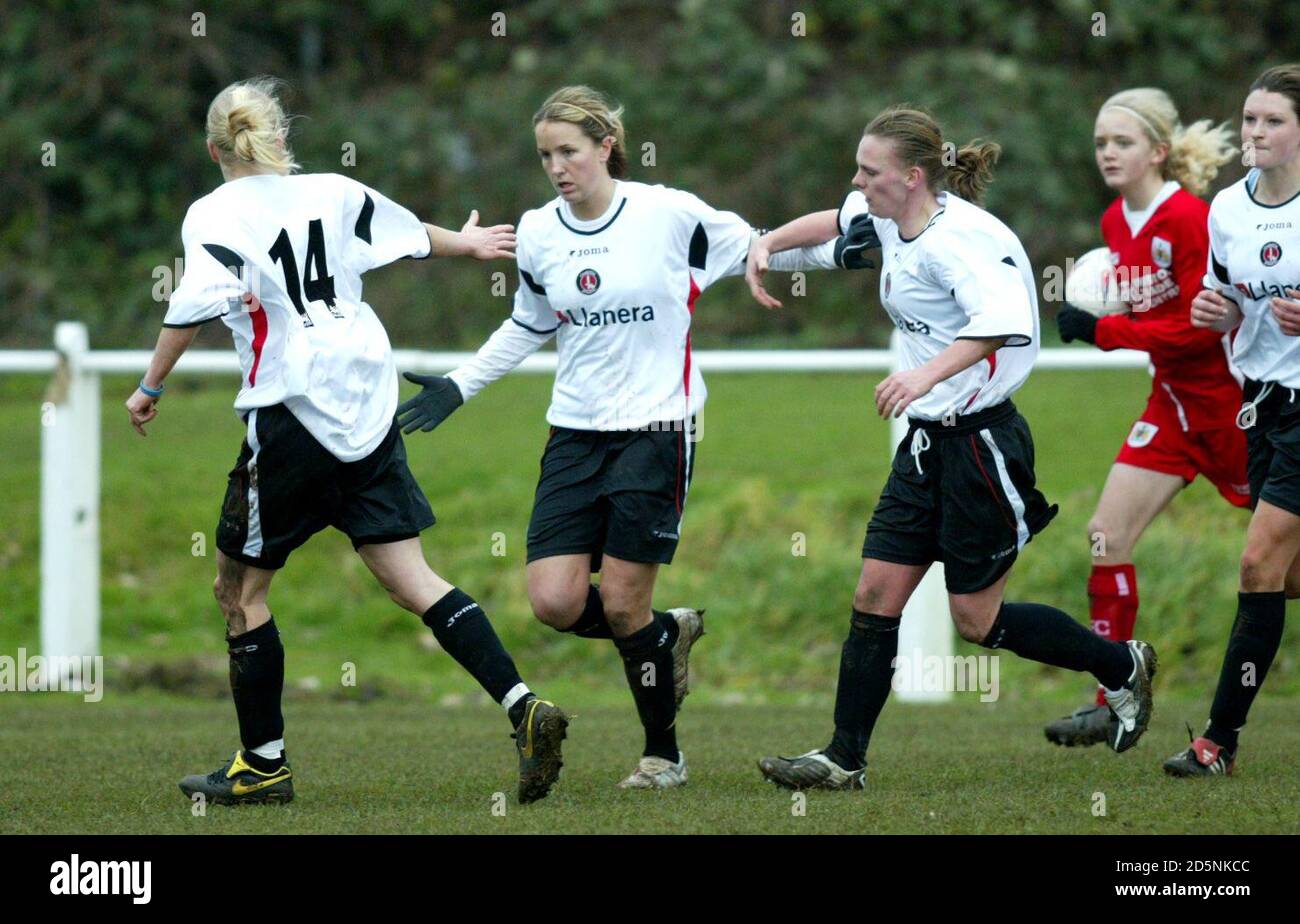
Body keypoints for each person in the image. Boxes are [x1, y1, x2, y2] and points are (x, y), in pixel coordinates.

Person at [125, 77, 568, 806]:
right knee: (412, 579)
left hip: (294, 409)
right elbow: (412, 236)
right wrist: (474, 244)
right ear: (280, 140)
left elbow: (194, 301)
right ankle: (523, 706)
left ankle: (262, 765)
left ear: (214, 149)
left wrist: (151, 385)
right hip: (369, 399)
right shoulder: (332, 189)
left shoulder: (213, 211)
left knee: (238, 591)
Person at [397, 85, 829, 789]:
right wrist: (459, 384)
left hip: (657, 428)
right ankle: (667, 636)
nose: (557, 167)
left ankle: (664, 756)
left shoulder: (668, 214)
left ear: (606, 147)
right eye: (544, 155)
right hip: (574, 432)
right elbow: (531, 322)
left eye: (569, 151)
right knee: (555, 602)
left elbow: (762, 249)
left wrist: (852, 248)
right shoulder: (539, 231)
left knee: (624, 602)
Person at [745, 106, 1158, 791]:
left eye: (868, 170)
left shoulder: (962, 242)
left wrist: (922, 375)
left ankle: (1121, 667)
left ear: (911, 177)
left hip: (981, 447)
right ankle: (843, 759)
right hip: (924, 446)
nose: (857, 179)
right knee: (876, 592)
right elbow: (834, 225)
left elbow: (1005, 323)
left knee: (976, 620)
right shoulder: (888, 211)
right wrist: (764, 246)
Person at [1046, 88, 1244, 747]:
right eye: (1101, 141)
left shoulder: (1189, 218)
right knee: (1106, 534)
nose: (1107, 152)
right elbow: (1154, 326)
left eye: (1122, 142)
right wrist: (1107, 316)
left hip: (1228, 409)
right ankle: (1114, 693)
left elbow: (1200, 330)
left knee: (1280, 570)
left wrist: (1104, 331)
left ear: (1158, 151)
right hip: (1171, 408)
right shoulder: (1113, 225)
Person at [1170, 64, 1300, 778]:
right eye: (1249, 119)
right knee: (1287, 578)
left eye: (1273, 120)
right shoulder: (1227, 208)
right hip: (1263, 402)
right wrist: (1213, 311)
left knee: (1256, 565)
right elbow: (1218, 297)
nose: (1255, 132)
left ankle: (1217, 741)